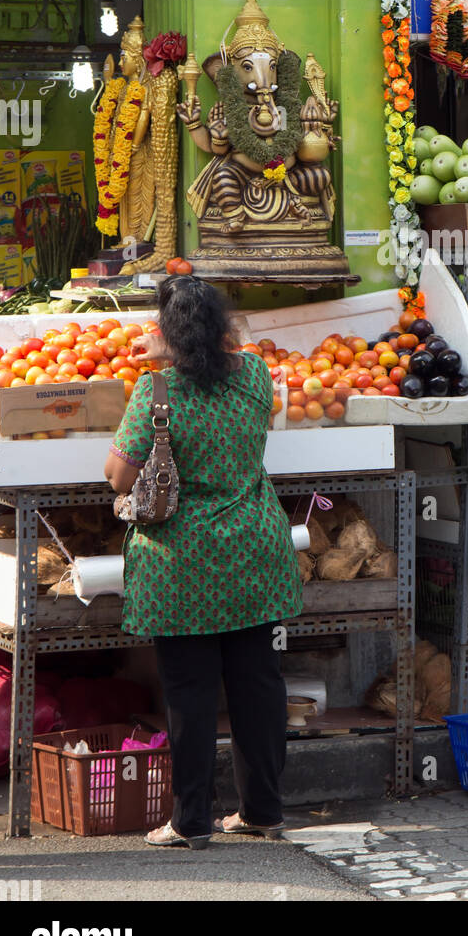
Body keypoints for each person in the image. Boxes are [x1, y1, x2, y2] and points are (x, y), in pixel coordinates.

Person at [104, 275, 302, 849]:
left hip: (182, 562)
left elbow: (117, 476)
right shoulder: (256, 377)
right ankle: (263, 810)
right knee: (258, 685)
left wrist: (164, 358)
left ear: (167, 333)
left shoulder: (155, 392)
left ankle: (192, 820)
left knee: (190, 693)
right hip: (254, 553)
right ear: (221, 326)